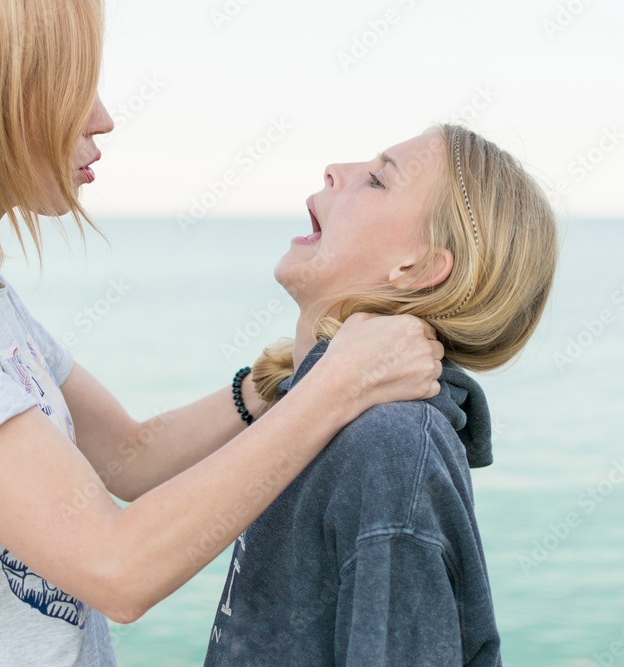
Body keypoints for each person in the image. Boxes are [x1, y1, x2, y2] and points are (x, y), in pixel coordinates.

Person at [0, 1, 445, 665]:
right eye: (76, 86)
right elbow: (115, 567)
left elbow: (129, 456)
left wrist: (290, 375)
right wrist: (335, 387)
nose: (102, 117)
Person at [203, 125, 559, 666]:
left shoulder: (388, 447)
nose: (334, 169)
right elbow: (121, 461)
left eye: (375, 180)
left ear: (416, 268)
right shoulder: (315, 412)